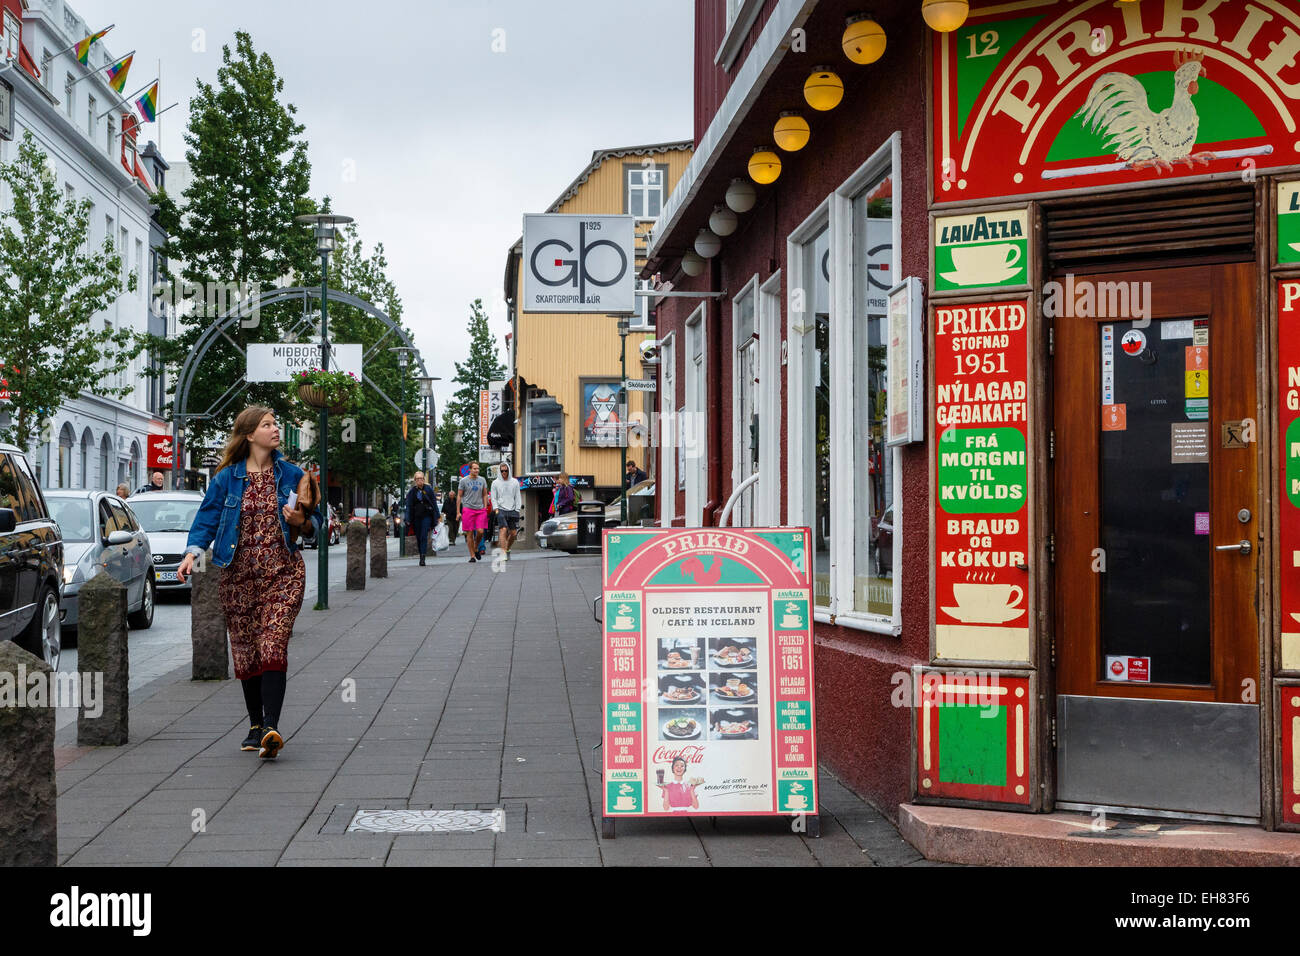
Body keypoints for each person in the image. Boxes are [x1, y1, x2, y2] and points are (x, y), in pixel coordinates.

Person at [175, 405, 322, 760]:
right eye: (267, 424)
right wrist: (192, 552)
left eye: (274, 424)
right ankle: (256, 725)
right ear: (249, 434)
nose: (274, 429)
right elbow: (207, 518)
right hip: (237, 576)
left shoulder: (292, 474)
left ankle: (271, 726)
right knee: (246, 651)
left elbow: (315, 522)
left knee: (272, 643)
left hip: (283, 573)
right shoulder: (227, 478)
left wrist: (301, 519)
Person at [456, 462, 489, 563]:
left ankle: (476, 546)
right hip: (468, 509)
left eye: (478, 469)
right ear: (470, 469)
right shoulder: (464, 481)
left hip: (480, 509)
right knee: (469, 533)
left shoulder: (482, 480)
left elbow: (484, 494)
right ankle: (472, 556)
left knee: (480, 531)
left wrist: (485, 507)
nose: (477, 470)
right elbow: (459, 496)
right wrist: (458, 512)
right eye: (474, 469)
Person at [405, 471, 440, 566]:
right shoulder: (412, 492)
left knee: (424, 535)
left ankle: (423, 558)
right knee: (419, 537)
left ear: (424, 480)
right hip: (416, 516)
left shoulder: (428, 489)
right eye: (418, 479)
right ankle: (421, 554)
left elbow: (434, 503)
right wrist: (407, 519)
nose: (420, 480)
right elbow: (408, 505)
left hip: (427, 516)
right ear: (415, 480)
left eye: (421, 478)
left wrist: (437, 516)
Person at [491, 462, 522, 559]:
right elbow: (493, 497)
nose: (504, 472)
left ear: (509, 470)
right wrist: (496, 509)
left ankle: (507, 548)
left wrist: (517, 508)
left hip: (512, 509)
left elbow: (517, 496)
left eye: (506, 470)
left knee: (513, 533)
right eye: (502, 471)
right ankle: (503, 552)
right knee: (503, 529)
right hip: (500, 509)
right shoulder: (495, 483)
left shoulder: (515, 482)